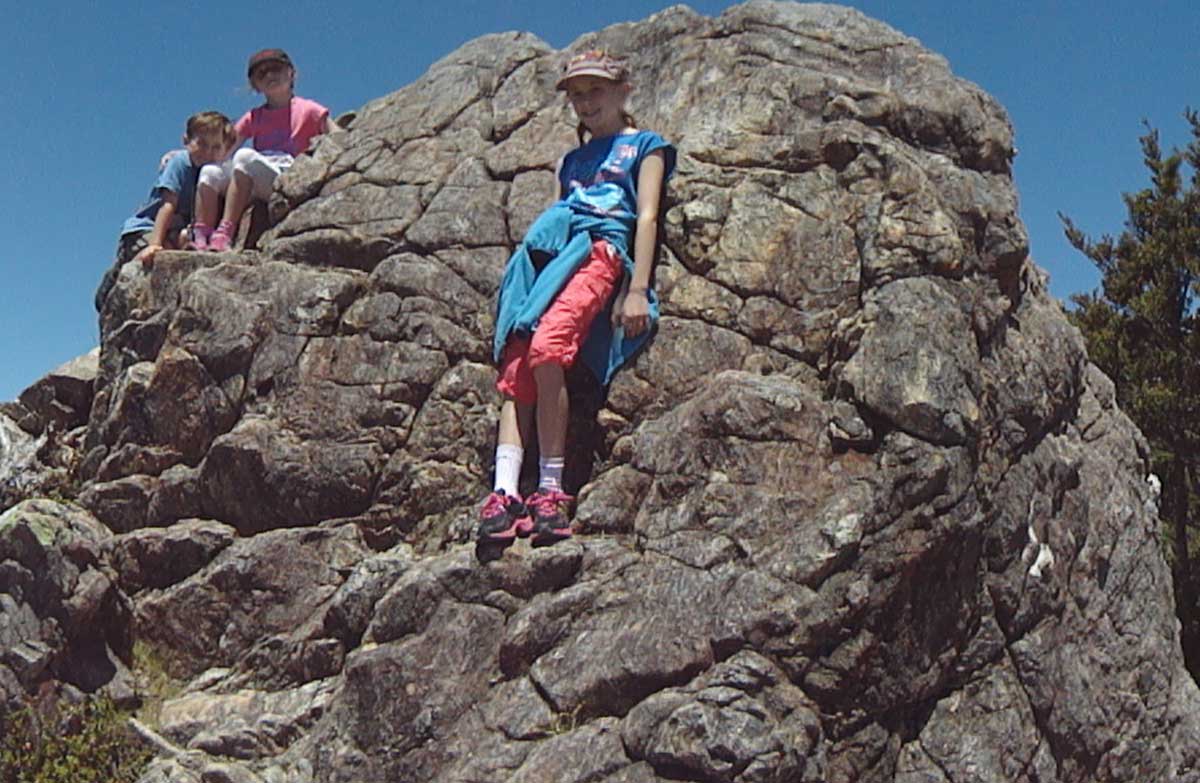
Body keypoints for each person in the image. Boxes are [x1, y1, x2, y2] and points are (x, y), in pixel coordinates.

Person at [479, 50, 676, 548]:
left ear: (622, 90)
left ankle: (550, 489)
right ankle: (504, 492)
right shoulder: (572, 161)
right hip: (551, 256)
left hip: (600, 251)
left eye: (596, 90)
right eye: (577, 93)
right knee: (518, 358)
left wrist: (636, 290)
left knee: (550, 349)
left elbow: (646, 218)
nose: (586, 101)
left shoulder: (645, 147)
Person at [193, 48, 334, 251]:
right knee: (210, 171)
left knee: (244, 157)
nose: (269, 75)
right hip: (253, 177)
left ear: (291, 73)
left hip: (287, 179)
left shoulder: (309, 109)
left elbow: (336, 134)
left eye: (275, 69)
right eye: (261, 73)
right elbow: (223, 147)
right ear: (255, 86)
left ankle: (225, 233)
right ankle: (201, 234)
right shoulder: (254, 117)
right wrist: (187, 155)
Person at [95, 111, 234, 313]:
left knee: (187, 244)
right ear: (186, 141)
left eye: (215, 147)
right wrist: (155, 244)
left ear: (225, 149)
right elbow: (168, 205)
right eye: (201, 143)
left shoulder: (214, 174)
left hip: (178, 228)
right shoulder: (180, 163)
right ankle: (117, 277)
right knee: (151, 258)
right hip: (148, 227)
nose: (207, 152)